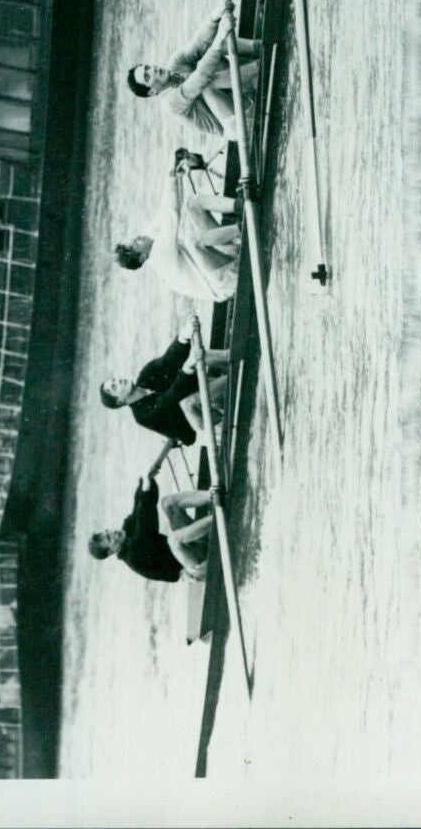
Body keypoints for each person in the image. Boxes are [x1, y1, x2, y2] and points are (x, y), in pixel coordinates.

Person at [115, 147, 241, 304]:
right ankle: (242, 228)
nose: (139, 236)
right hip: (226, 284)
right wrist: (173, 172)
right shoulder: (160, 257)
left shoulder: (149, 241)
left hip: (225, 262)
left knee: (192, 204)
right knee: (194, 243)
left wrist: (174, 172)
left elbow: (164, 209)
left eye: (134, 237)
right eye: (136, 242)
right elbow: (172, 214)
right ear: (142, 257)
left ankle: (239, 205)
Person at [127, 12, 258, 146]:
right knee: (206, 84)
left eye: (148, 67)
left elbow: (199, 42)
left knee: (206, 48)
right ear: (153, 92)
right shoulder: (170, 103)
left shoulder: (175, 63)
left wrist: (215, 16)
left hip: (242, 93)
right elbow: (202, 77)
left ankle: (258, 48)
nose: (152, 70)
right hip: (238, 124)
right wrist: (221, 34)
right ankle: (261, 64)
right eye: (147, 76)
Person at [98, 318, 231, 447]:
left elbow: (169, 360)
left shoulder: (146, 374)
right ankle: (234, 377)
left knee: (201, 355)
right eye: (114, 386)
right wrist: (188, 367)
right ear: (120, 401)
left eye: (114, 380)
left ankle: (233, 355)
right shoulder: (142, 415)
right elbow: (171, 397)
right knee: (187, 403)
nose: (119, 380)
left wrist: (184, 335)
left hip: (203, 397)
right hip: (198, 425)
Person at [87, 463, 211, 583]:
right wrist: (146, 481)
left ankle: (213, 495)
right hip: (196, 567)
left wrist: (145, 479)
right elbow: (145, 520)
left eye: (108, 531)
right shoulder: (133, 557)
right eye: (109, 538)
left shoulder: (127, 529)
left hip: (194, 546)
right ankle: (214, 519)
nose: (113, 532)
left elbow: (138, 504)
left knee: (167, 503)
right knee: (174, 540)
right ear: (111, 552)